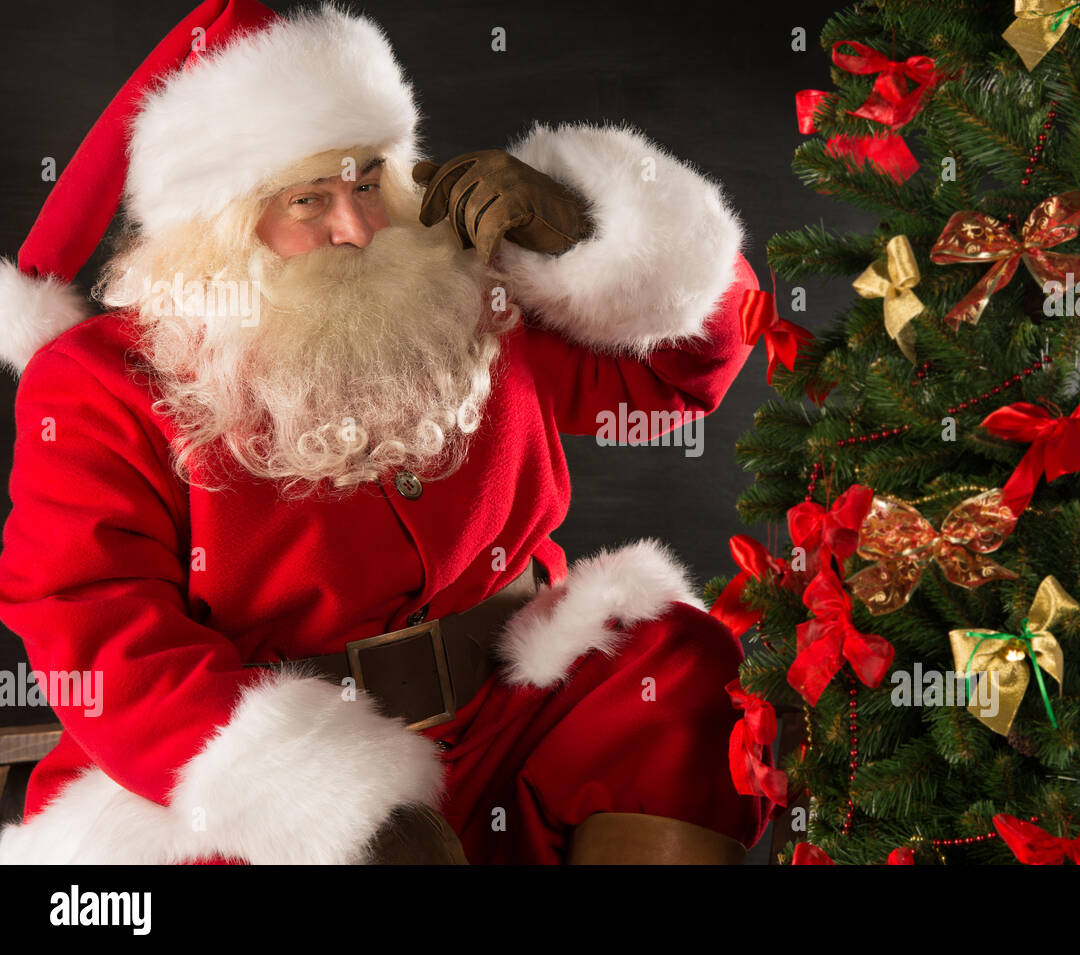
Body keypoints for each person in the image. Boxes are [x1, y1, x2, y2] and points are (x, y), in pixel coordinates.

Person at [0, 0, 773, 864]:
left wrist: (591, 238)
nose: (358, 227)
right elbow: (98, 630)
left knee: (680, 672)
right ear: (217, 228)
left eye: (369, 179)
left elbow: (682, 374)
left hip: (516, 706)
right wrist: (332, 809)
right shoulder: (103, 379)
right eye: (308, 200)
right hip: (273, 759)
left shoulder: (469, 288)